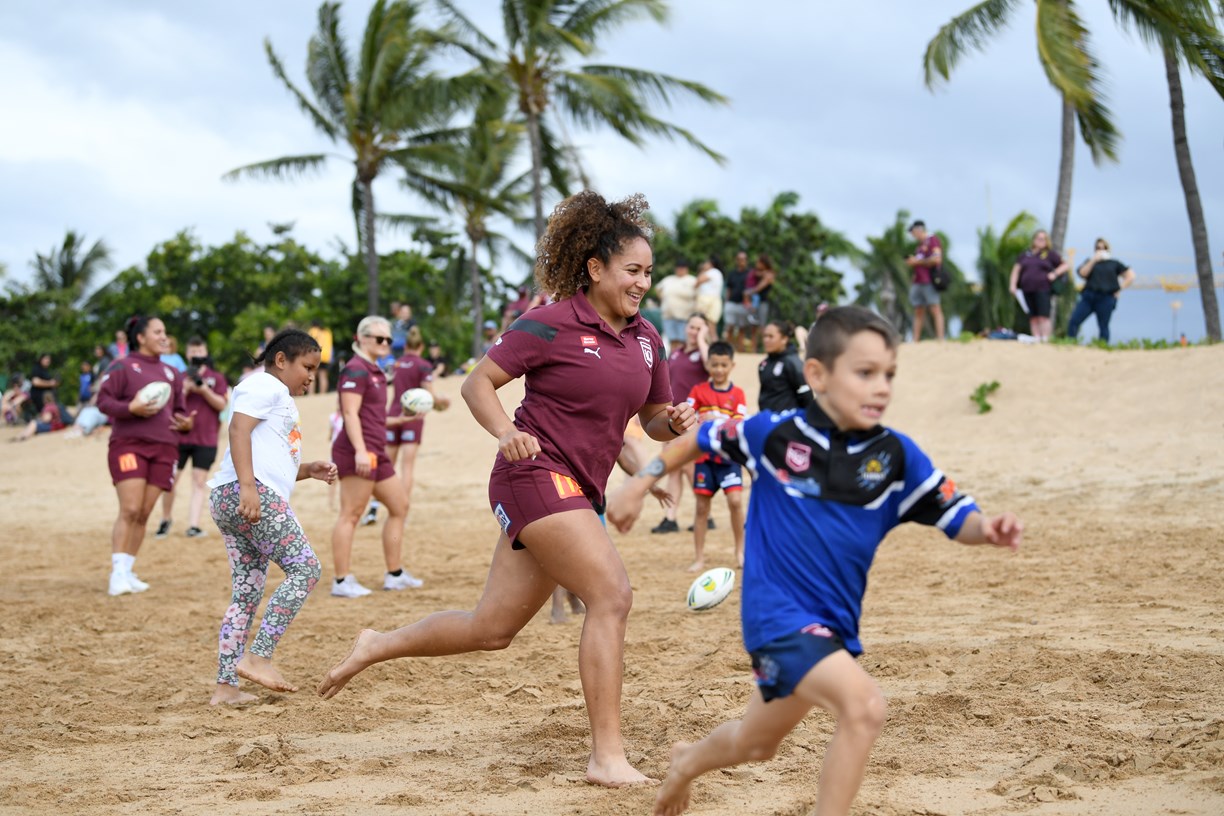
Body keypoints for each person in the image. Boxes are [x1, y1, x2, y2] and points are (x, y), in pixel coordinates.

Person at [316, 190, 696, 788]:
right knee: (611, 595)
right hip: (531, 474)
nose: (643, 283)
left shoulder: (648, 337)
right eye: (632, 270)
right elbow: (477, 384)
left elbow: (647, 418)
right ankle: (606, 757)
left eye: (649, 272)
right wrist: (505, 432)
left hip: (579, 487)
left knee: (491, 629)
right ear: (596, 268)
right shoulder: (549, 323)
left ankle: (375, 643)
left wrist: (671, 424)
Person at [605, 305, 1024, 816]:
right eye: (865, 373)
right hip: (776, 617)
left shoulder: (896, 457)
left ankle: (687, 761)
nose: (881, 387)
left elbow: (957, 516)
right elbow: (701, 437)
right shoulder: (775, 435)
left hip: (833, 627)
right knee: (864, 708)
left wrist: (989, 529)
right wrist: (639, 483)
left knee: (756, 743)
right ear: (818, 375)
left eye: (888, 375)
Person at [207, 328, 336, 705]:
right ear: (281, 360)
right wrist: (248, 487)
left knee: (246, 592)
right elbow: (238, 429)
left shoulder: (274, 394)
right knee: (306, 569)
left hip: (234, 495)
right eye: (307, 367)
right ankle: (259, 657)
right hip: (250, 494)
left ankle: (226, 687)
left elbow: (268, 458)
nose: (311, 376)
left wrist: (307, 469)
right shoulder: (266, 385)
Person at [96, 316, 195, 596]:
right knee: (129, 509)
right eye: (157, 332)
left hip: (165, 448)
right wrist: (131, 408)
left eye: (165, 332)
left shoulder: (172, 373)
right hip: (129, 445)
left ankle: (128, 570)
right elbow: (103, 401)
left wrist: (186, 424)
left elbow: (179, 411)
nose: (164, 337)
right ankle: (117, 573)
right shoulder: (122, 366)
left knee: (143, 513)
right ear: (140, 337)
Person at [329, 315, 415, 597]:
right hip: (358, 452)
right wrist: (360, 451)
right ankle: (341, 580)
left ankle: (394, 574)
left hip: (376, 450)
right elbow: (349, 413)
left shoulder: (375, 371)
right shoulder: (355, 370)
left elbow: (371, 417)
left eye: (388, 339)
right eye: (379, 338)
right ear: (362, 338)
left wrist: (399, 420)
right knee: (351, 514)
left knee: (399, 506)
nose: (385, 343)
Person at [156, 337, 229, 539]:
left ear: (206, 352)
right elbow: (168, 404)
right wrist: (185, 389)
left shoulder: (216, 378)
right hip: (178, 438)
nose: (196, 354)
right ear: (187, 354)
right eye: (193, 350)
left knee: (199, 481)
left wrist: (204, 390)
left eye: (200, 350)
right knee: (171, 480)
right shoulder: (178, 377)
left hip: (206, 438)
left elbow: (222, 405)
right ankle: (165, 519)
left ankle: (193, 525)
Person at [684, 340, 747, 572]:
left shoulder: (738, 394)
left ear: (732, 365)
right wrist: (698, 420)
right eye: (715, 365)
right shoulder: (698, 391)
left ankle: (740, 551)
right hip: (704, 459)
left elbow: (739, 424)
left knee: (736, 502)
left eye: (724, 365)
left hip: (729, 459)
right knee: (702, 508)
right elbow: (688, 416)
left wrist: (716, 420)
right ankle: (699, 557)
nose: (719, 369)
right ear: (708, 365)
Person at [385, 326, 451, 543]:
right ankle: (401, 511)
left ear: (405, 346)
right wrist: (443, 402)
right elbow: (430, 397)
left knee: (387, 465)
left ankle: (376, 506)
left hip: (393, 412)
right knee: (407, 467)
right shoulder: (424, 365)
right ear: (421, 346)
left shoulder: (397, 363)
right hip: (413, 418)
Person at [653, 313, 711, 535]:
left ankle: (705, 513)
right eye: (692, 327)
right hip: (672, 418)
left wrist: (703, 339)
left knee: (689, 467)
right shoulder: (676, 353)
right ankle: (670, 517)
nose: (694, 332)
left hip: (692, 419)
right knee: (673, 468)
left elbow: (710, 365)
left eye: (699, 328)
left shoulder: (704, 353)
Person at [1067, 237, 1135, 344]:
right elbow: (1082, 273)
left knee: (1103, 326)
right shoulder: (1090, 261)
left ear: (1108, 249)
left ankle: (1102, 347)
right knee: (1074, 321)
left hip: (1106, 298)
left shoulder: (1114, 263)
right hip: (1089, 296)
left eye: (1104, 248)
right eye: (1098, 248)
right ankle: (1070, 344)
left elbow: (1131, 276)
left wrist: (1119, 289)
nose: (1101, 250)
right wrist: (1093, 260)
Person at [1009, 230, 1069, 342]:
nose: (1040, 241)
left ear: (1047, 241)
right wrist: (1012, 285)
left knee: (1043, 316)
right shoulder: (1025, 255)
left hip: (1043, 288)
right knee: (1033, 316)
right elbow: (1016, 270)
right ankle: (1036, 338)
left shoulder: (1050, 254)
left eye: (1043, 239)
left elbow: (1065, 265)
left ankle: (1045, 338)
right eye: (1038, 238)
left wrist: (1054, 274)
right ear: (1033, 239)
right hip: (1027, 289)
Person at [758, 320, 813, 412]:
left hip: (788, 418)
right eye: (765, 336)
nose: (766, 340)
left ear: (784, 339)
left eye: (771, 336)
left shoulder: (793, 363)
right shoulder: (763, 364)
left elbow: (806, 396)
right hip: (768, 417)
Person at [905, 220, 945, 341]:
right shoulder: (920, 246)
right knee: (918, 310)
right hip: (918, 281)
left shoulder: (932, 240)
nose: (913, 235)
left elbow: (937, 259)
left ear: (919, 230)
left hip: (929, 281)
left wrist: (918, 262)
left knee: (935, 309)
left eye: (913, 232)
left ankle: (940, 339)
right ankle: (915, 340)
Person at [655, 259, 698, 351]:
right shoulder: (668, 279)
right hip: (668, 315)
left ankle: (680, 358)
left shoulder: (692, 280)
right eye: (678, 268)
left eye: (682, 268)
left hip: (685, 316)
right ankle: (674, 357)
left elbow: (697, 295)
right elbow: (657, 289)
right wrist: (663, 299)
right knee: (672, 340)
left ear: (686, 269)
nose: (680, 270)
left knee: (682, 341)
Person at [744, 254, 777, 352]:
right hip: (755, 303)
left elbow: (759, 288)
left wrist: (749, 292)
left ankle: (766, 349)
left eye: (758, 262)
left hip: (763, 303)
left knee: (762, 327)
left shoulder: (769, 274)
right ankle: (753, 350)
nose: (757, 264)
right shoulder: (758, 273)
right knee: (753, 326)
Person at [723, 251, 752, 352]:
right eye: (739, 259)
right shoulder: (732, 273)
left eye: (743, 259)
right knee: (729, 327)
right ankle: (727, 350)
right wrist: (726, 301)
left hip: (743, 305)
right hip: (731, 303)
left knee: (742, 328)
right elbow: (729, 288)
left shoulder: (749, 274)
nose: (741, 262)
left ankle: (740, 350)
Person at [694, 257, 725, 336]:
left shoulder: (712, 271)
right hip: (715, 300)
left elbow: (697, 282)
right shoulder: (718, 273)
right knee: (711, 328)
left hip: (706, 300)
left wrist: (702, 270)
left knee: (700, 325)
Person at [308, 320, 334, 393]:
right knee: (323, 376)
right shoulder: (327, 332)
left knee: (312, 374)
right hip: (326, 356)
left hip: (315, 355)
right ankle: (323, 394)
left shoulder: (312, 330)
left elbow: (309, 344)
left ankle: (311, 394)